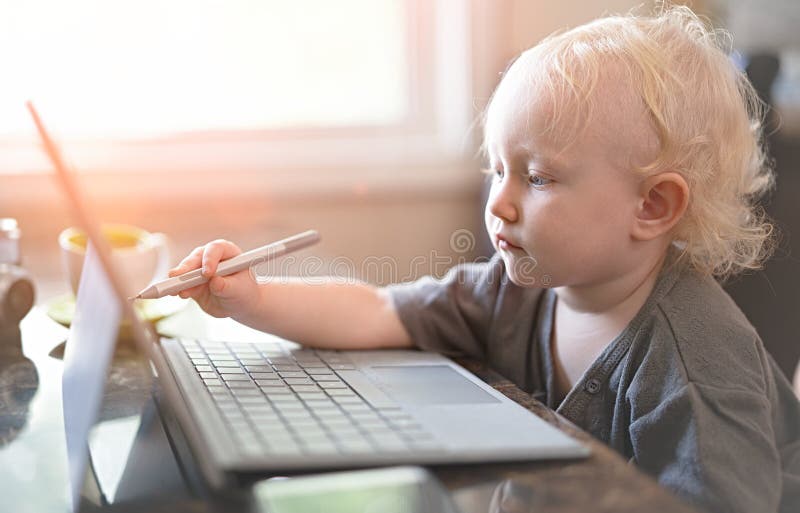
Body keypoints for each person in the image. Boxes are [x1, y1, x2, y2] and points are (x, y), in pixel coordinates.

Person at [167, 6, 800, 513]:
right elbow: (379, 310)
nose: (499, 202)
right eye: (497, 169)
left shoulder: (695, 361)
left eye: (540, 177)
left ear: (652, 206)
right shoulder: (512, 290)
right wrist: (251, 298)